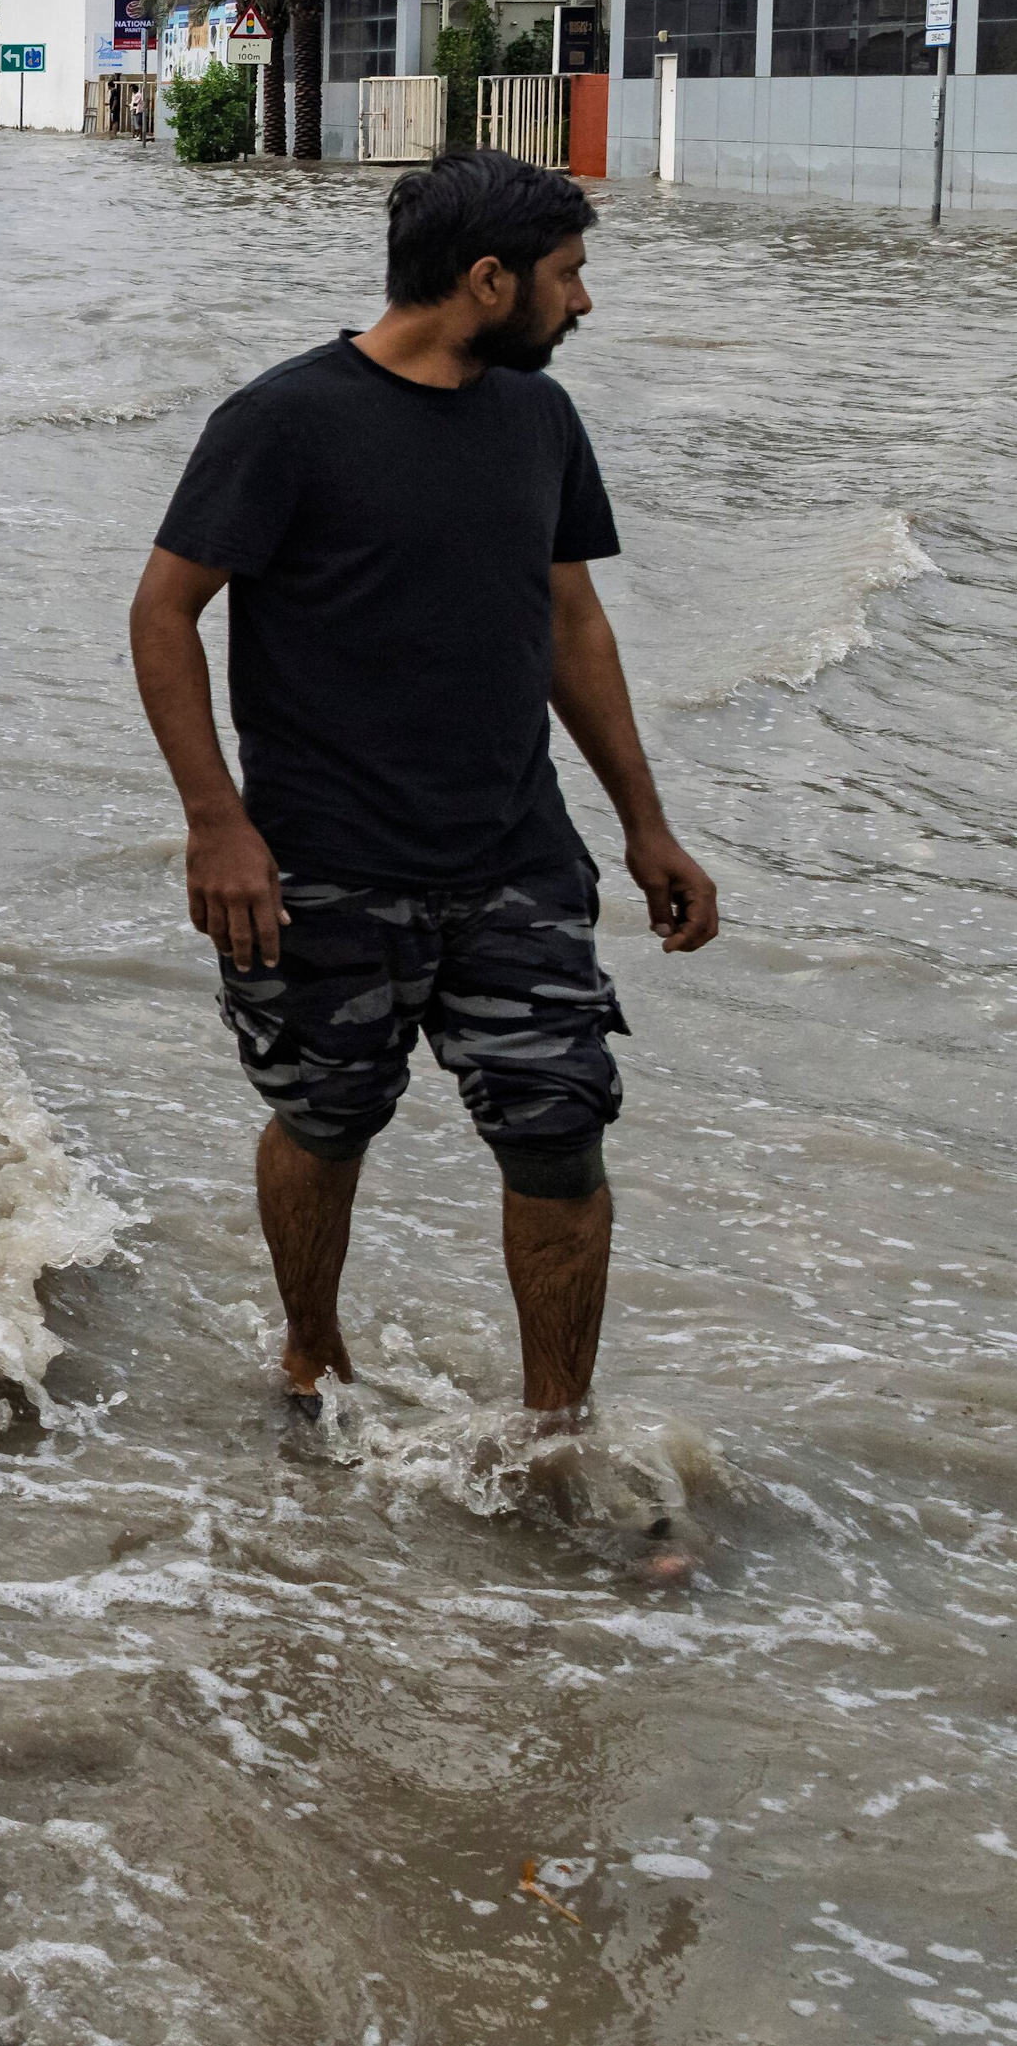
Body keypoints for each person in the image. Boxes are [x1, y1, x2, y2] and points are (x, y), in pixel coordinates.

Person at [128, 149, 720, 1476]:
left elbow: (568, 620)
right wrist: (215, 823)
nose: (583, 303)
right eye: (565, 276)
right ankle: (309, 1352)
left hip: (513, 857)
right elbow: (163, 612)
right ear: (485, 279)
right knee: (326, 1119)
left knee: (559, 1131)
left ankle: (557, 1437)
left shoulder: (537, 422)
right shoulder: (283, 421)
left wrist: (642, 821)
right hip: (323, 864)